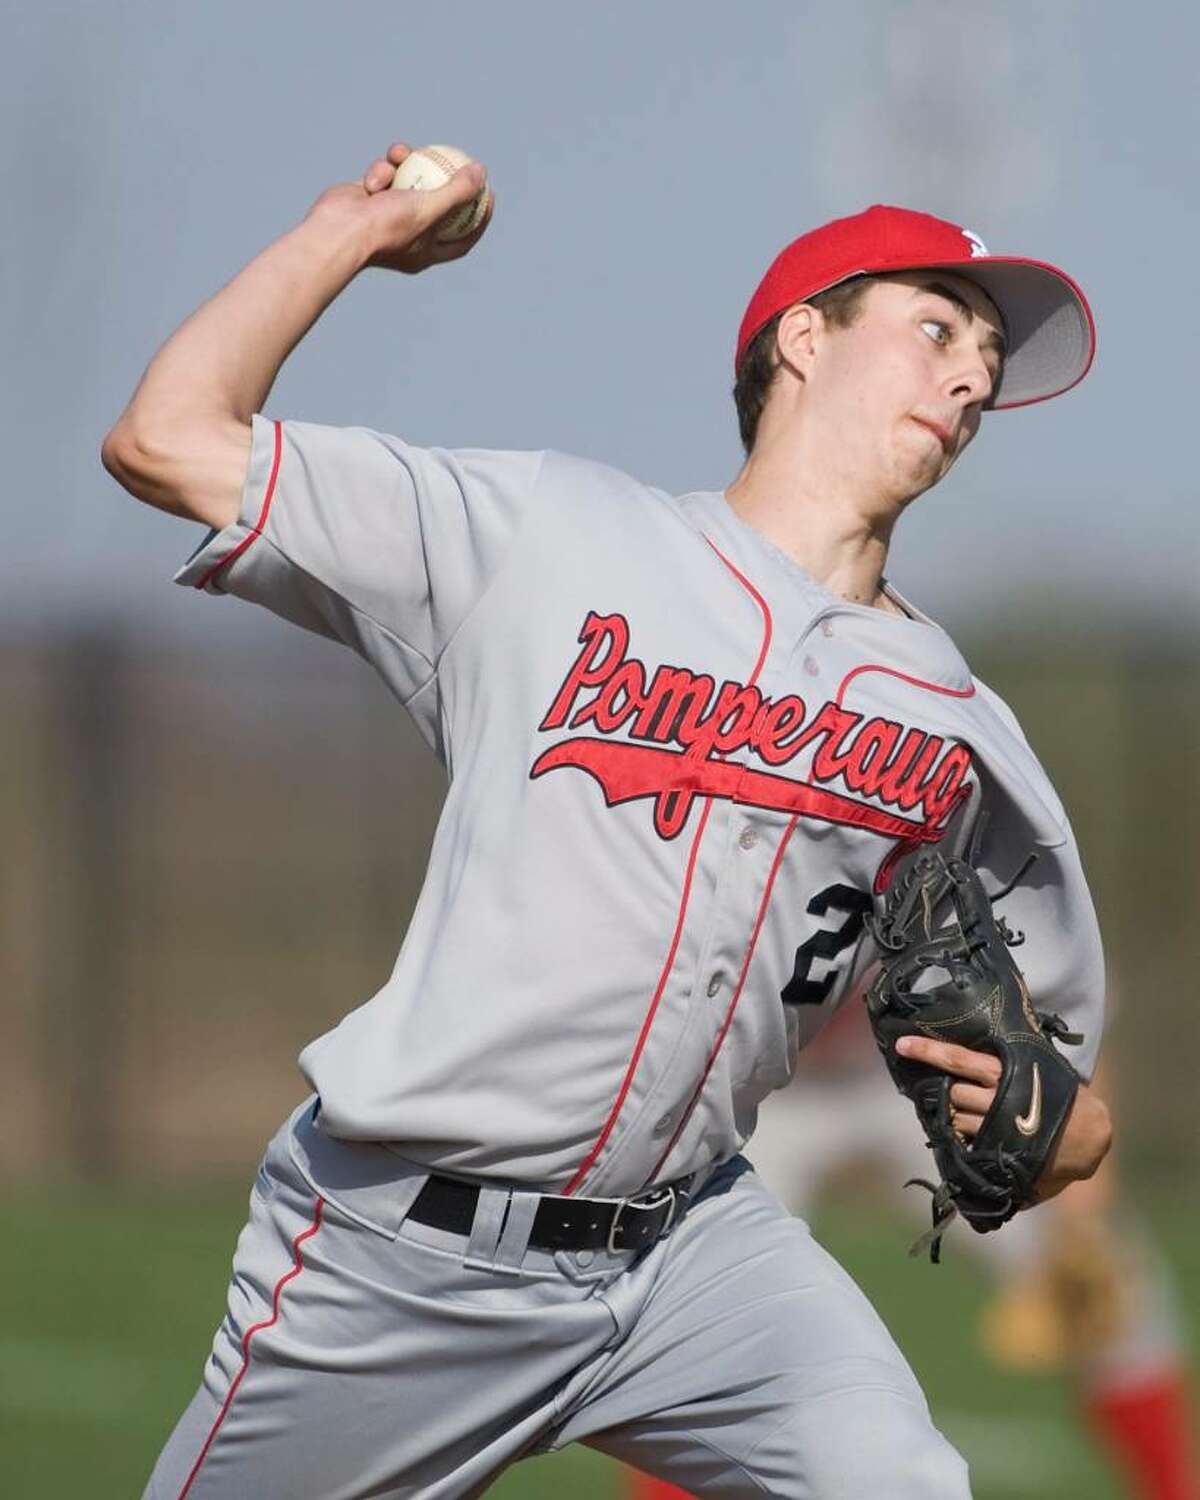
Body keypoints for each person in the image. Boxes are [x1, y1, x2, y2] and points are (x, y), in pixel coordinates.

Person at [102, 142, 1114, 1499]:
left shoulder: (952, 713)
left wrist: (1070, 1133)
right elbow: (165, 437)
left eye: (986, 360)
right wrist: (352, 232)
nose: (973, 378)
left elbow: (1056, 1079)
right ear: (803, 339)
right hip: (404, 1260)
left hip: (692, 1257)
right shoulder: (549, 539)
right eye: (937, 329)